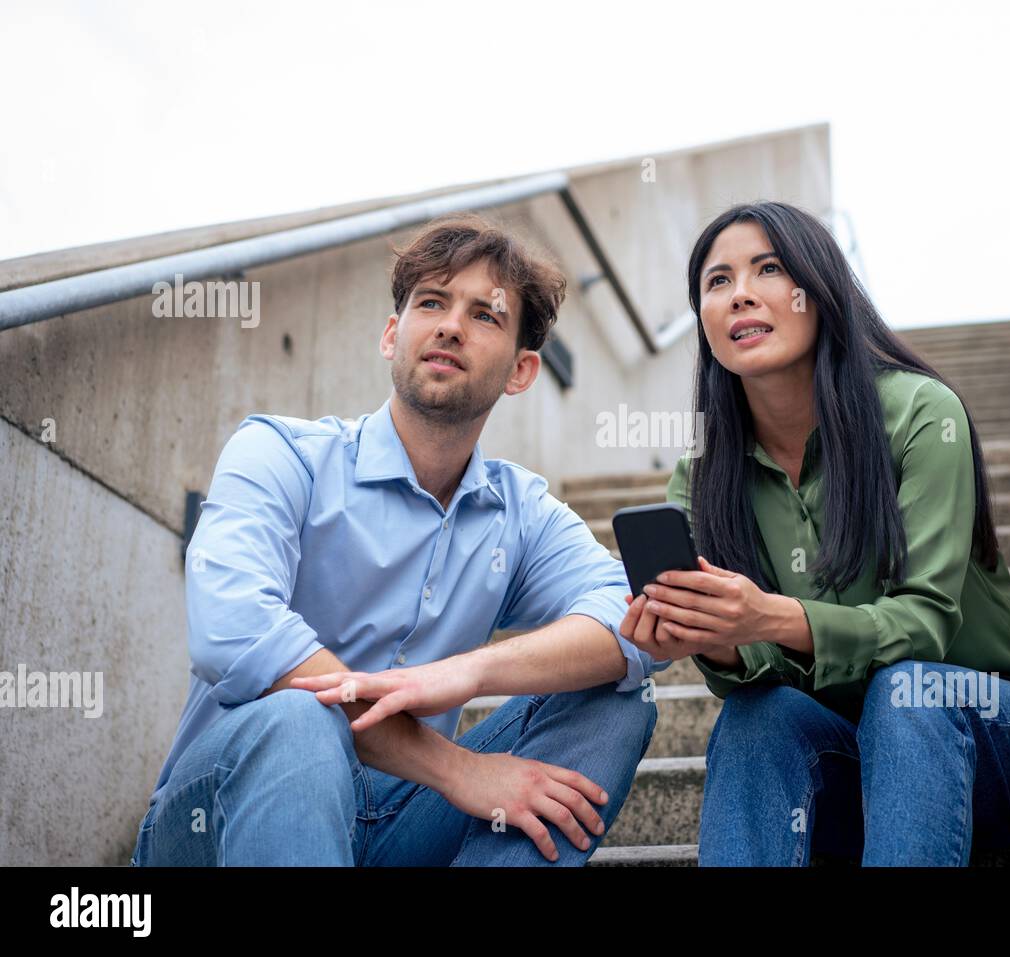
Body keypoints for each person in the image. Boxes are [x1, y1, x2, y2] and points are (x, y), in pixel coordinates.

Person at [130, 213, 665, 867]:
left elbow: (638, 617)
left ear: (523, 370)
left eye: (485, 314)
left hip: (400, 824)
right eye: (431, 303)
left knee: (616, 698)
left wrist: (466, 672)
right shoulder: (282, 454)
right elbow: (235, 631)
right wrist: (457, 767)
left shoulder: (518, 511)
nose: (449, 326)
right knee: (300, 718)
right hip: (219, 822)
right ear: (393, 334)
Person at [616, 201, 1010, 866]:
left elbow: (924, 623)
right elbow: (758, 671)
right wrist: (715, 639)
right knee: (757, 714)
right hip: (855, 770)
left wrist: (775, 615)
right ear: (702, 322)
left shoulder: (921, 416)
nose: (741, 295)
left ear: (819, 291)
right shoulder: (702, 478)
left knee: (908, 691)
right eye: (717, 281)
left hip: (1005, 741)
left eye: (768, 268)